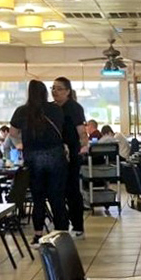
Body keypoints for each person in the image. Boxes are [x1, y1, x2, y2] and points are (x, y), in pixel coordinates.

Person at [10, 79, 69, 243]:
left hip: (33, 158)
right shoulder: (56, 109)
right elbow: (62, 128)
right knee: (57, 197)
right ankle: (61, 234)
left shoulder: (22, 111)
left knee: (38, 198)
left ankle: (38, 234)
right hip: (55, 156)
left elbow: (12, 134)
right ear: (45, 92)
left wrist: (21, 143)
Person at [51, 76, 88, 237]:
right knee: (57, 190)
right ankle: (61, 225)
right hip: (54, 155)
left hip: (72, 154)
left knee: (72, 190)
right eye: (53, 88)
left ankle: (78, 225)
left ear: (67, 91)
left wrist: (83, 146)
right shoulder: (50, 108)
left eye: (59, 88)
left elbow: (82, 132)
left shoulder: (74, 108)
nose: (55, 91)